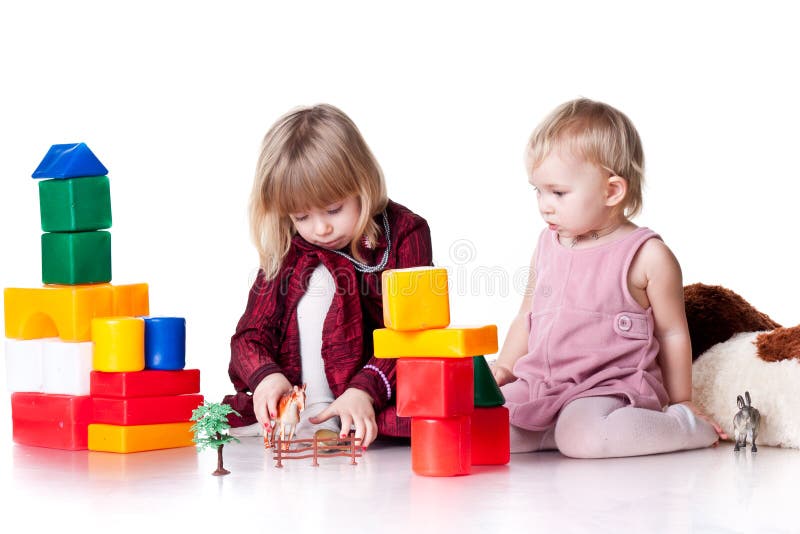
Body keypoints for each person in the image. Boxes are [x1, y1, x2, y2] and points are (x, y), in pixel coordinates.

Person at [491, 98, 725, 457]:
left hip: (609, 385)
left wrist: (682, 401)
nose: (544, 204)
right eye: (537, 190)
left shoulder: (647, 255)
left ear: (612, 191)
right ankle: (555, 431)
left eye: (558, 192)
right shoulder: (547, 245)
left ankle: (684, 428)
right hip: (543, 383)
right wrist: (505, 366)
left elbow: (673, 332)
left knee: (584, 434)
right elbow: (527, 314)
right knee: (485, 424)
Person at [223, 104, 432, 448]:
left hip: (383, 376)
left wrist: (365, 388)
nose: (321, 228)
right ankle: (316, 410)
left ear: (362, 184)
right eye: (302, 217)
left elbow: (411, 331)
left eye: (334, 209)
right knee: (319, 275)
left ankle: (343, 411)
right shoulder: (291, 244)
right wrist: (267, 377)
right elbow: (249, 335)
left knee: (427, 410)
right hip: (305, 384)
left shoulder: (407, 233)